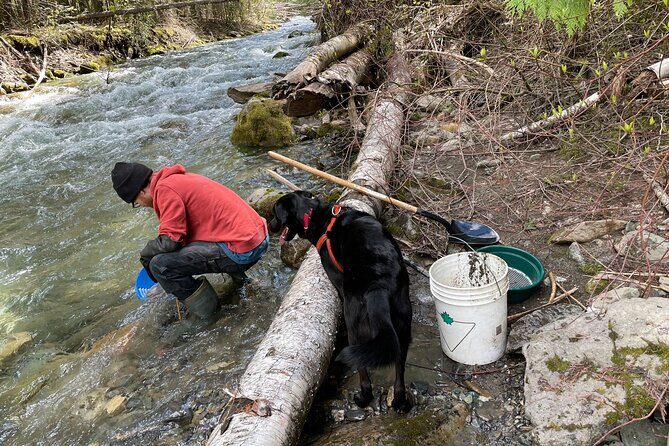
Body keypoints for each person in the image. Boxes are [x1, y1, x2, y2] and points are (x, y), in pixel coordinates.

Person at [111, 162, 269, 319]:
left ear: (140, 192)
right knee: (187, 244)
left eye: (136, 203)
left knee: (160, 265)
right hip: (257, 236)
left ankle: (208, 314)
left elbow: (170, 241)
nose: (142, 205)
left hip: (245, 250)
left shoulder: (165, 190)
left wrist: (145, 255)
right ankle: (240, 282)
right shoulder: (175, 180)